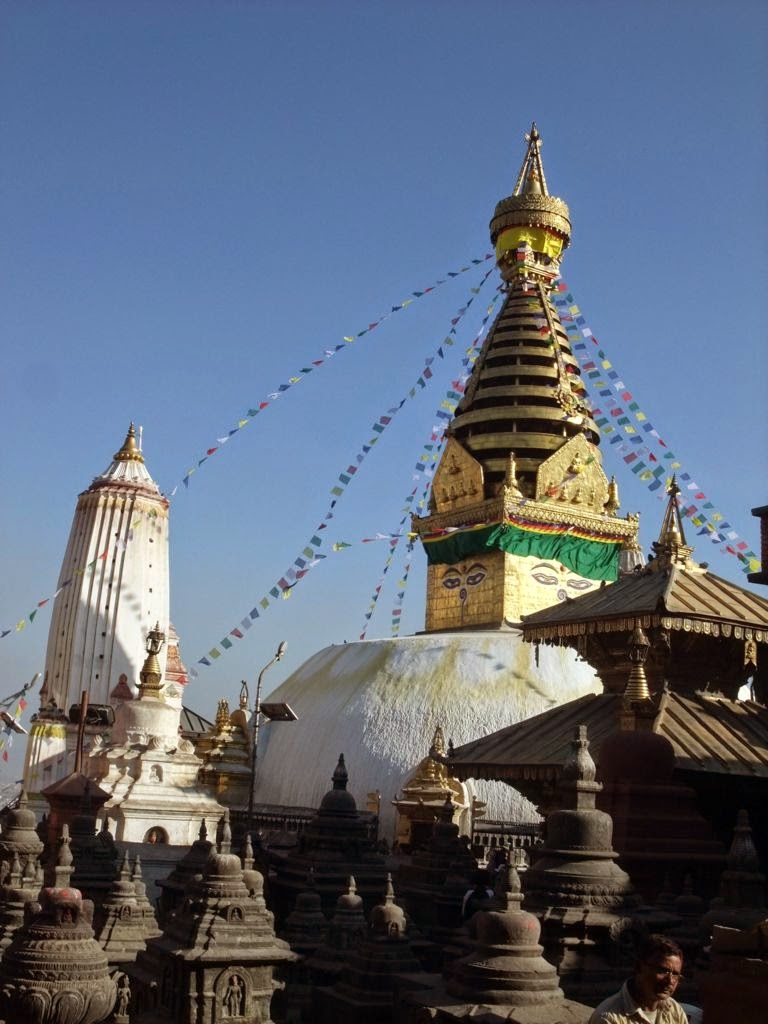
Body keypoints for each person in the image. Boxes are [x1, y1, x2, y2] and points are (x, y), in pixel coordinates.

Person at [589, 934, 688, 1024]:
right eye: (662, 971)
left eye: (675, 974)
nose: (670, 981)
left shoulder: (674, 1009)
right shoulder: (609, 1018)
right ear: (639, 968)